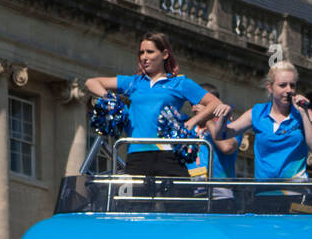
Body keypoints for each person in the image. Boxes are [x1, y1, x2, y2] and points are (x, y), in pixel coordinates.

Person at [85, 32, 226, 178]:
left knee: (177, 199)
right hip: (137, 153)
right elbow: (92, 82)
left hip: (169, 154)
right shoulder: (134, 82)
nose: (144, 57)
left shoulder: (179, 83)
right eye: (141, 52)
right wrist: (109, 100)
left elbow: (215, 103)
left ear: (165, 54)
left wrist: (191, 122)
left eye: (150, 52)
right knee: (136, 200)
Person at [227, 62, 312, 182]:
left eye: (292, 85)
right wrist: (218, 116)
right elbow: (223, 134)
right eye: (282, 85)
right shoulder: (257, 112)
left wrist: (303, 113)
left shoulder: (305, 112)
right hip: (265, 192)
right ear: (270, 87)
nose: (289, 90)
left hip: (295, 191)